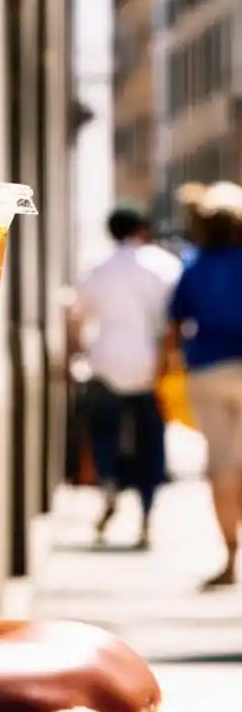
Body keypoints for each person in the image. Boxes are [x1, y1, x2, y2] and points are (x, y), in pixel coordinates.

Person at [69, 205, 183, 549]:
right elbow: (176, 316)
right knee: (151, 439)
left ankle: (109, 485)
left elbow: (78, 315)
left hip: (107, 361)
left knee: (105, 432)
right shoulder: (164, 265)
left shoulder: (97, 269)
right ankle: (147, 509)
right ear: (142, 229)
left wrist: (77, 354)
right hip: (152, 365)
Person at [168, 181, 242, 589]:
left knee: (221, 466)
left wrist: (167, 366)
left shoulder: (194, 266)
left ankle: (230, 557)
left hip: (209, 371)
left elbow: (176, 322)